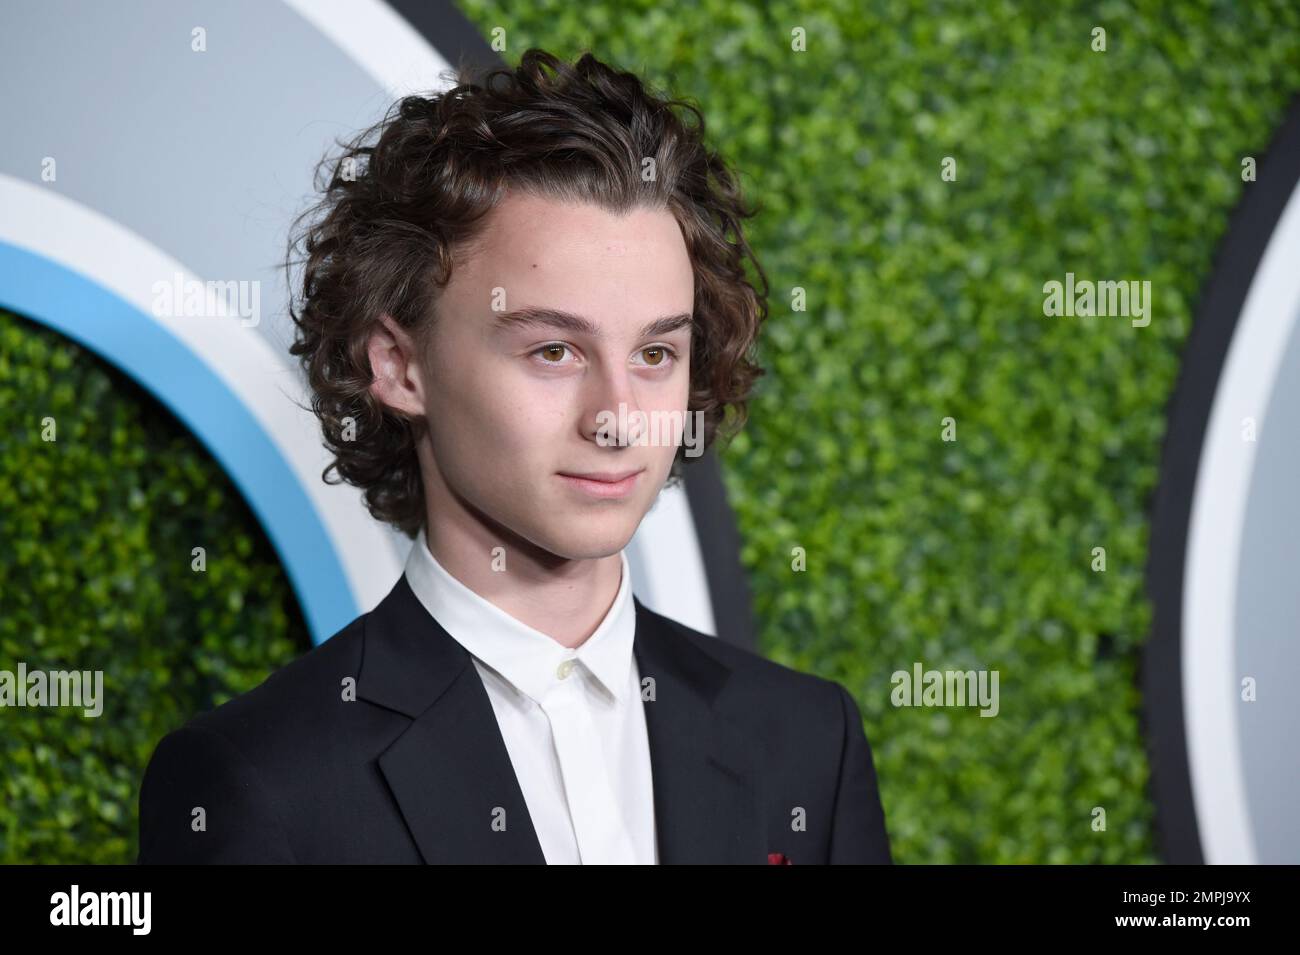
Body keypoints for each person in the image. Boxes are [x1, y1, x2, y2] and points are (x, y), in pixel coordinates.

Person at [136, 48, 891, 864]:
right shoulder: (261, 781)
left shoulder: (809, 743)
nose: (617, 419)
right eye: (554, 351)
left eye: (655, 354)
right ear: (398, 364)